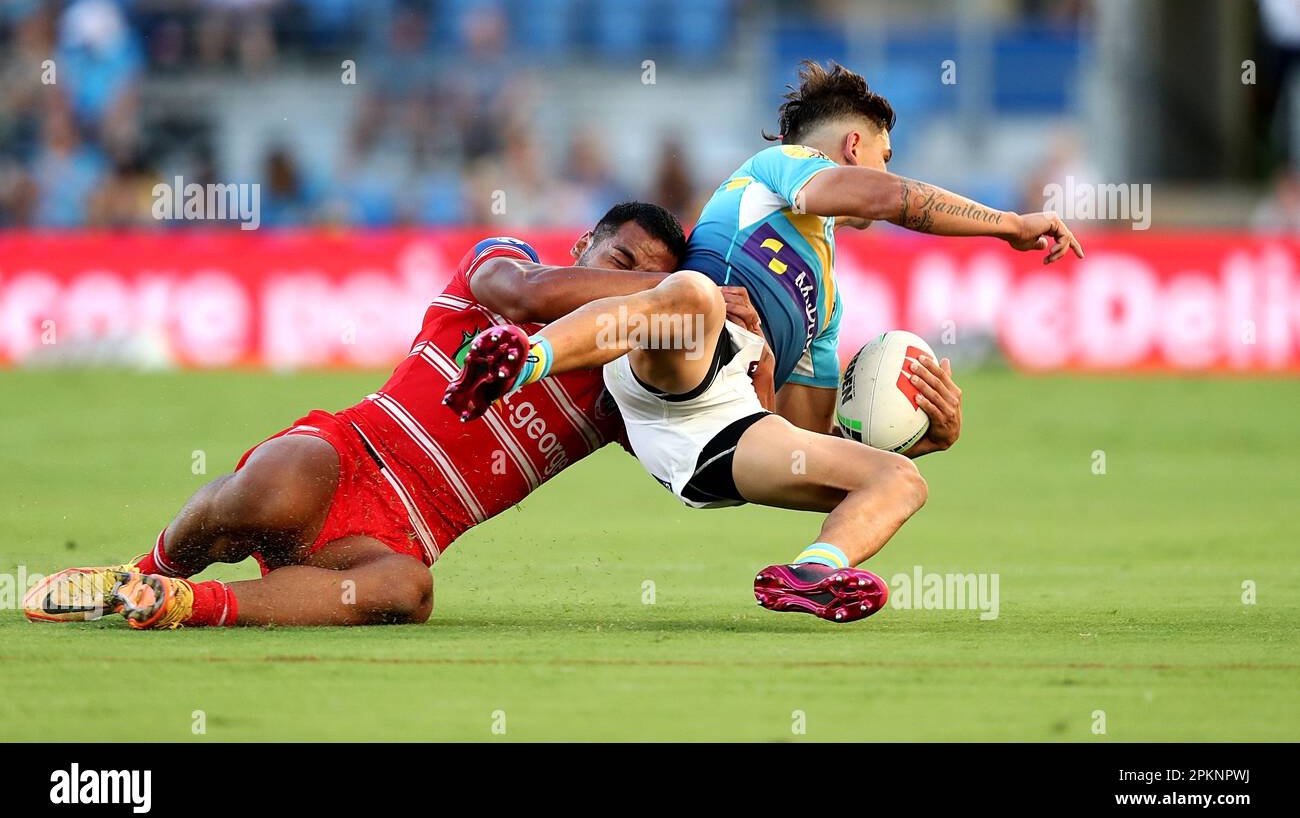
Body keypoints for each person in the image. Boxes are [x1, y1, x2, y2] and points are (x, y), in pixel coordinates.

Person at [446, 61, 1083, 623]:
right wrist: (1008, 225)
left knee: (900, 481)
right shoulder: (777, 171)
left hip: (720, 438)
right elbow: (894, 198)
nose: (887, 171)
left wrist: (919, 436)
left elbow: (801, 436)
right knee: (694, 294)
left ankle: (811, 573)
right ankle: (520, 361)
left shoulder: (827, 301)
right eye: (885, 155)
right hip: (674, 356)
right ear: (853, 146)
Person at [26, 203, 761, 629]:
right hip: (348, 454)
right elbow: (531, 295)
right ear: (584, 247)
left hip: (396, 536)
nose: (632, 286)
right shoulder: (502, 267)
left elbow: (708, 464)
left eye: (648, 275)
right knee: (272, 489)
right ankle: (139, 569)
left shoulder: (620, 390)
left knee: (409, 591)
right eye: (622, 260)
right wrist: (676, 286)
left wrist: (780, 374)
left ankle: (186, 601)